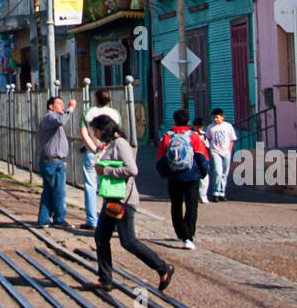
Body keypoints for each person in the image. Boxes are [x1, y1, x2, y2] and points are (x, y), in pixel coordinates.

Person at [91, 115, 174, 293]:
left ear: (104, 129)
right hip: (111, 198)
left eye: (96, 130)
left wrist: (106, 170)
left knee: (128, 241)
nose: (95, 134)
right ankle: (105, 279)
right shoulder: (109, 145)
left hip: (123, 200)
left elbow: (132, 169)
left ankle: (162, 267)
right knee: (101, 237)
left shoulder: (120, 143)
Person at [155, 108, 210, 250]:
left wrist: (165, 173)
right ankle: (189, 236)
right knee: (192, 206)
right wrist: (203, 173)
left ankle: (180, 232)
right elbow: (201, 156)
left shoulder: (167, 136)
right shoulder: (194, 136)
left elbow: (160, 158)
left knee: (176, 205)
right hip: (192, 176)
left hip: (174, 176)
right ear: (188, 121)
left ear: (174, 121)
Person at [79, 89, 122, 233]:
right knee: (109, 187)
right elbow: (117, 133)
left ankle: (92, 220)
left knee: (90, 185)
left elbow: (84, 133)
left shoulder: (88, 113)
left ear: (96, 99)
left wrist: (94, 148)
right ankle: (112, 219)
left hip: (92, 153)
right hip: (110, 153)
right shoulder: (115, 114)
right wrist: (105, 147)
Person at [36, 94, 77, 228]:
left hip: (52, 162)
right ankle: (59, 219)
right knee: (59, 192)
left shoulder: (51, 118)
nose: (62, 106)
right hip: (53, 163)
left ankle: (44, 219)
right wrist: (70, 109)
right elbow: (61, 120)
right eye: (59, 103)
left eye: (63, 103)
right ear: (51, 106)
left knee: (48, 191)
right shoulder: (50, 117)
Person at [205, 108, 237, 200]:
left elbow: (232, 139)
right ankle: (215, 192)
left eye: (217, 117)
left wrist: (229, 150)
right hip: (215, 152)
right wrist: (210, 150)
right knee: (217, 171)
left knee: (224, 173)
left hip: (226, 152)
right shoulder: (210, 127)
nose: (216, 119)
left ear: (222, 117)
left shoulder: (228, 126)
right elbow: (208, 139)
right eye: (214, 118)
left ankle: (222, 192)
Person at [193, 116, 210, 202]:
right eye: (197, 126)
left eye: (200, 127)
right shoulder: (191, 134)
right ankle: (195, 195)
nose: (199, 128)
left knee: (205, 177)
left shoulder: (203, 135)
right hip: (193, 158)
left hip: (203, 158)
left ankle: (203, 195)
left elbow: (207, 146)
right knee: (194, 178)